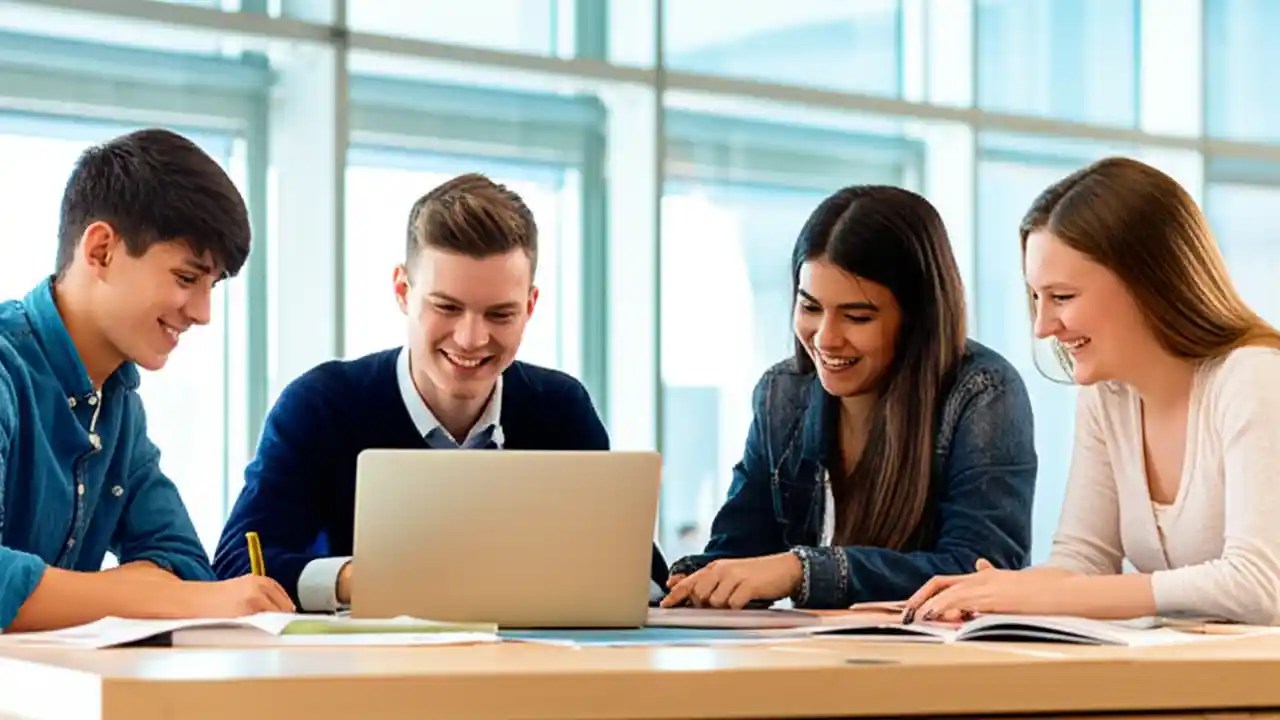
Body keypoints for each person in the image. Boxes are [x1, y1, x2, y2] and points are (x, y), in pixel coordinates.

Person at [213, 173, 668, 611]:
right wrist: (362, 580)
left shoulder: (561, 410)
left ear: (530, 307)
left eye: (500, 315)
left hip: (531, 670)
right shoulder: (321, 405)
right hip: (363, 675)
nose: (471, 338)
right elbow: (239, 564)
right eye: (447, 307)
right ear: (402, 291)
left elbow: (636, 576)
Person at [904, 157, 1280, 626]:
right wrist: (989, 592)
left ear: (1150, 283)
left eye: (1062, 297)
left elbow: (1260, 585)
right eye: (1036, 298)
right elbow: (1083, 561)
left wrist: (1048, 596)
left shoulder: (1255, 378)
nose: (1042, 326)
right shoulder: (1109, 397)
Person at [661, 185, 1037, 610]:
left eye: (857, 317)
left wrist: (800, 569)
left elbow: (977, 571)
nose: (825, 338)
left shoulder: (983, 393)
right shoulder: (782, 394)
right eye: (810, 307)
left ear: (917, 320)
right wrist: (691, 579)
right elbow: (739, 552)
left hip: (939, 668)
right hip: (815, 660)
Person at [0, 128, 294, 632]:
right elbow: (187, 598)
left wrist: (145, 593)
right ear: (101, 251)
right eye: (186, 278)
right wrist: (137, 594)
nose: (202, 313)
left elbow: (185, 563)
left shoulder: (117, 401)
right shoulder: (9, 371)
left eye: (211, 286)